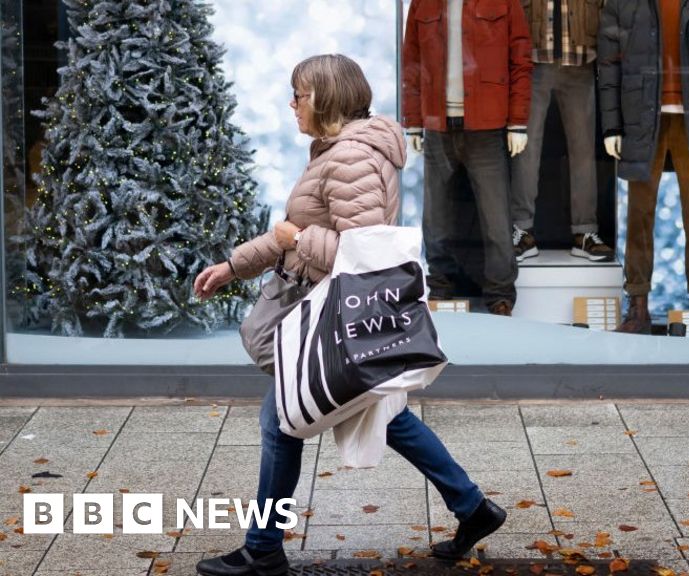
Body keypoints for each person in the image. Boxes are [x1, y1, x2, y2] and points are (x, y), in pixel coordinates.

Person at [192, 54, 506, 576]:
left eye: (300, 94)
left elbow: (363, 255)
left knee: (280, 423)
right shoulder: (334, 152)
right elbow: (290, 233)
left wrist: (297, 238)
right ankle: (472, 507)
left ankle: (263, 549)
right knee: (386, 414)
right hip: (332, 316)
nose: (291, 104)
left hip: (332, 320)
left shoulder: (350, 158)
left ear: (328, 99)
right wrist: (232, 266)